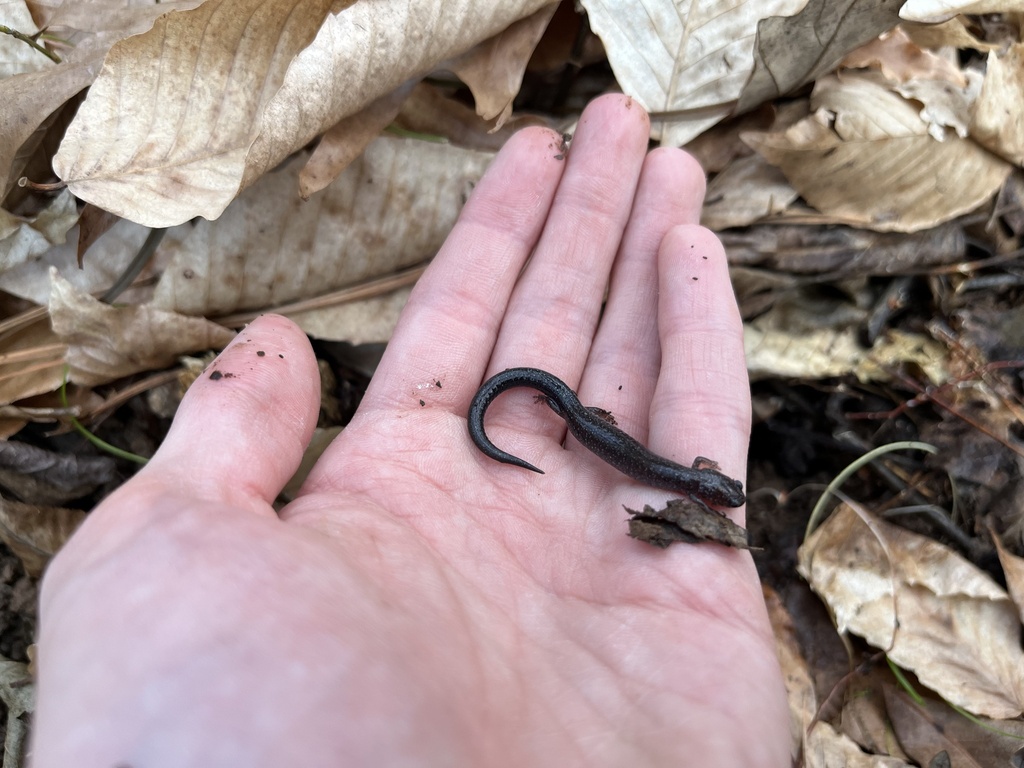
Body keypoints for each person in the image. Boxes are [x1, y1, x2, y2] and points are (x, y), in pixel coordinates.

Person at [31, 95, 790, 766]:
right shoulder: (674, 477)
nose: (719, 497)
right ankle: (519, 417)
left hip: (584, 421)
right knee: (566, 405)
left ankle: (529, 415)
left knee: (573, 408)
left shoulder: (680, 480)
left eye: (718, 493)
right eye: (719, 493)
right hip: (578, 418)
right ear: (704, 490)